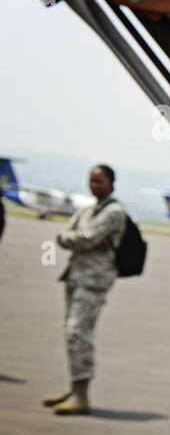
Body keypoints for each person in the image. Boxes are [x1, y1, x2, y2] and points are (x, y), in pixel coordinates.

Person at [42, 164, 125, 416]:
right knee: (71, 332)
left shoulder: (113, 212)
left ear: (111, 183)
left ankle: (81, 395)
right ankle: (74, 387)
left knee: (78, 331)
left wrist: (71, 239)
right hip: (77, 275)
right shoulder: (88, 210)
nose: (94, 185)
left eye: (99, 181)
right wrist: (74, 238)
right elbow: (74, 234)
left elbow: (82, 237)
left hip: (94, 280)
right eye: (91, 181)